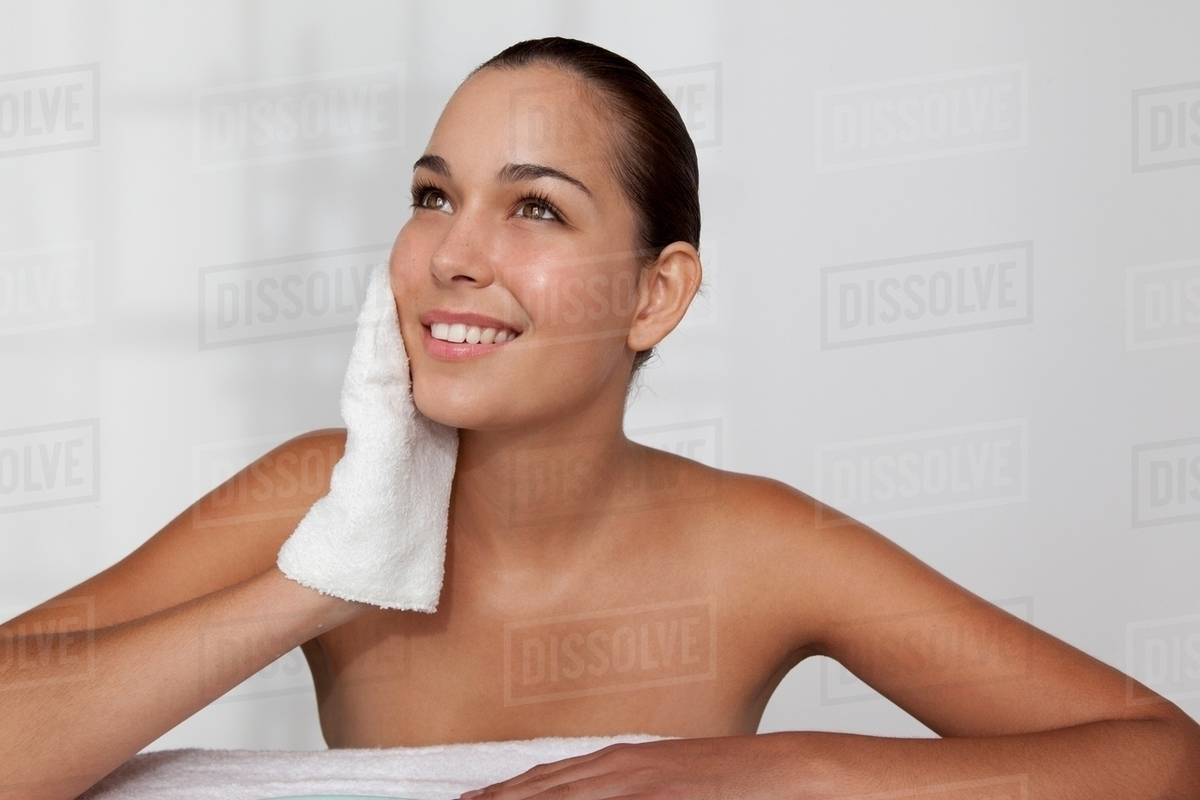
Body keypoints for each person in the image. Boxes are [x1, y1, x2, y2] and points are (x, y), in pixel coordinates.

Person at [3, 36, 1199, 800]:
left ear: (654, 293)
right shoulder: (319, 491)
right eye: (434, 196)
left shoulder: (761, 546)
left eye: (536, 210)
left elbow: (1159, 755)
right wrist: (328, 570)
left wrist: (779, 772)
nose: (452, 255)